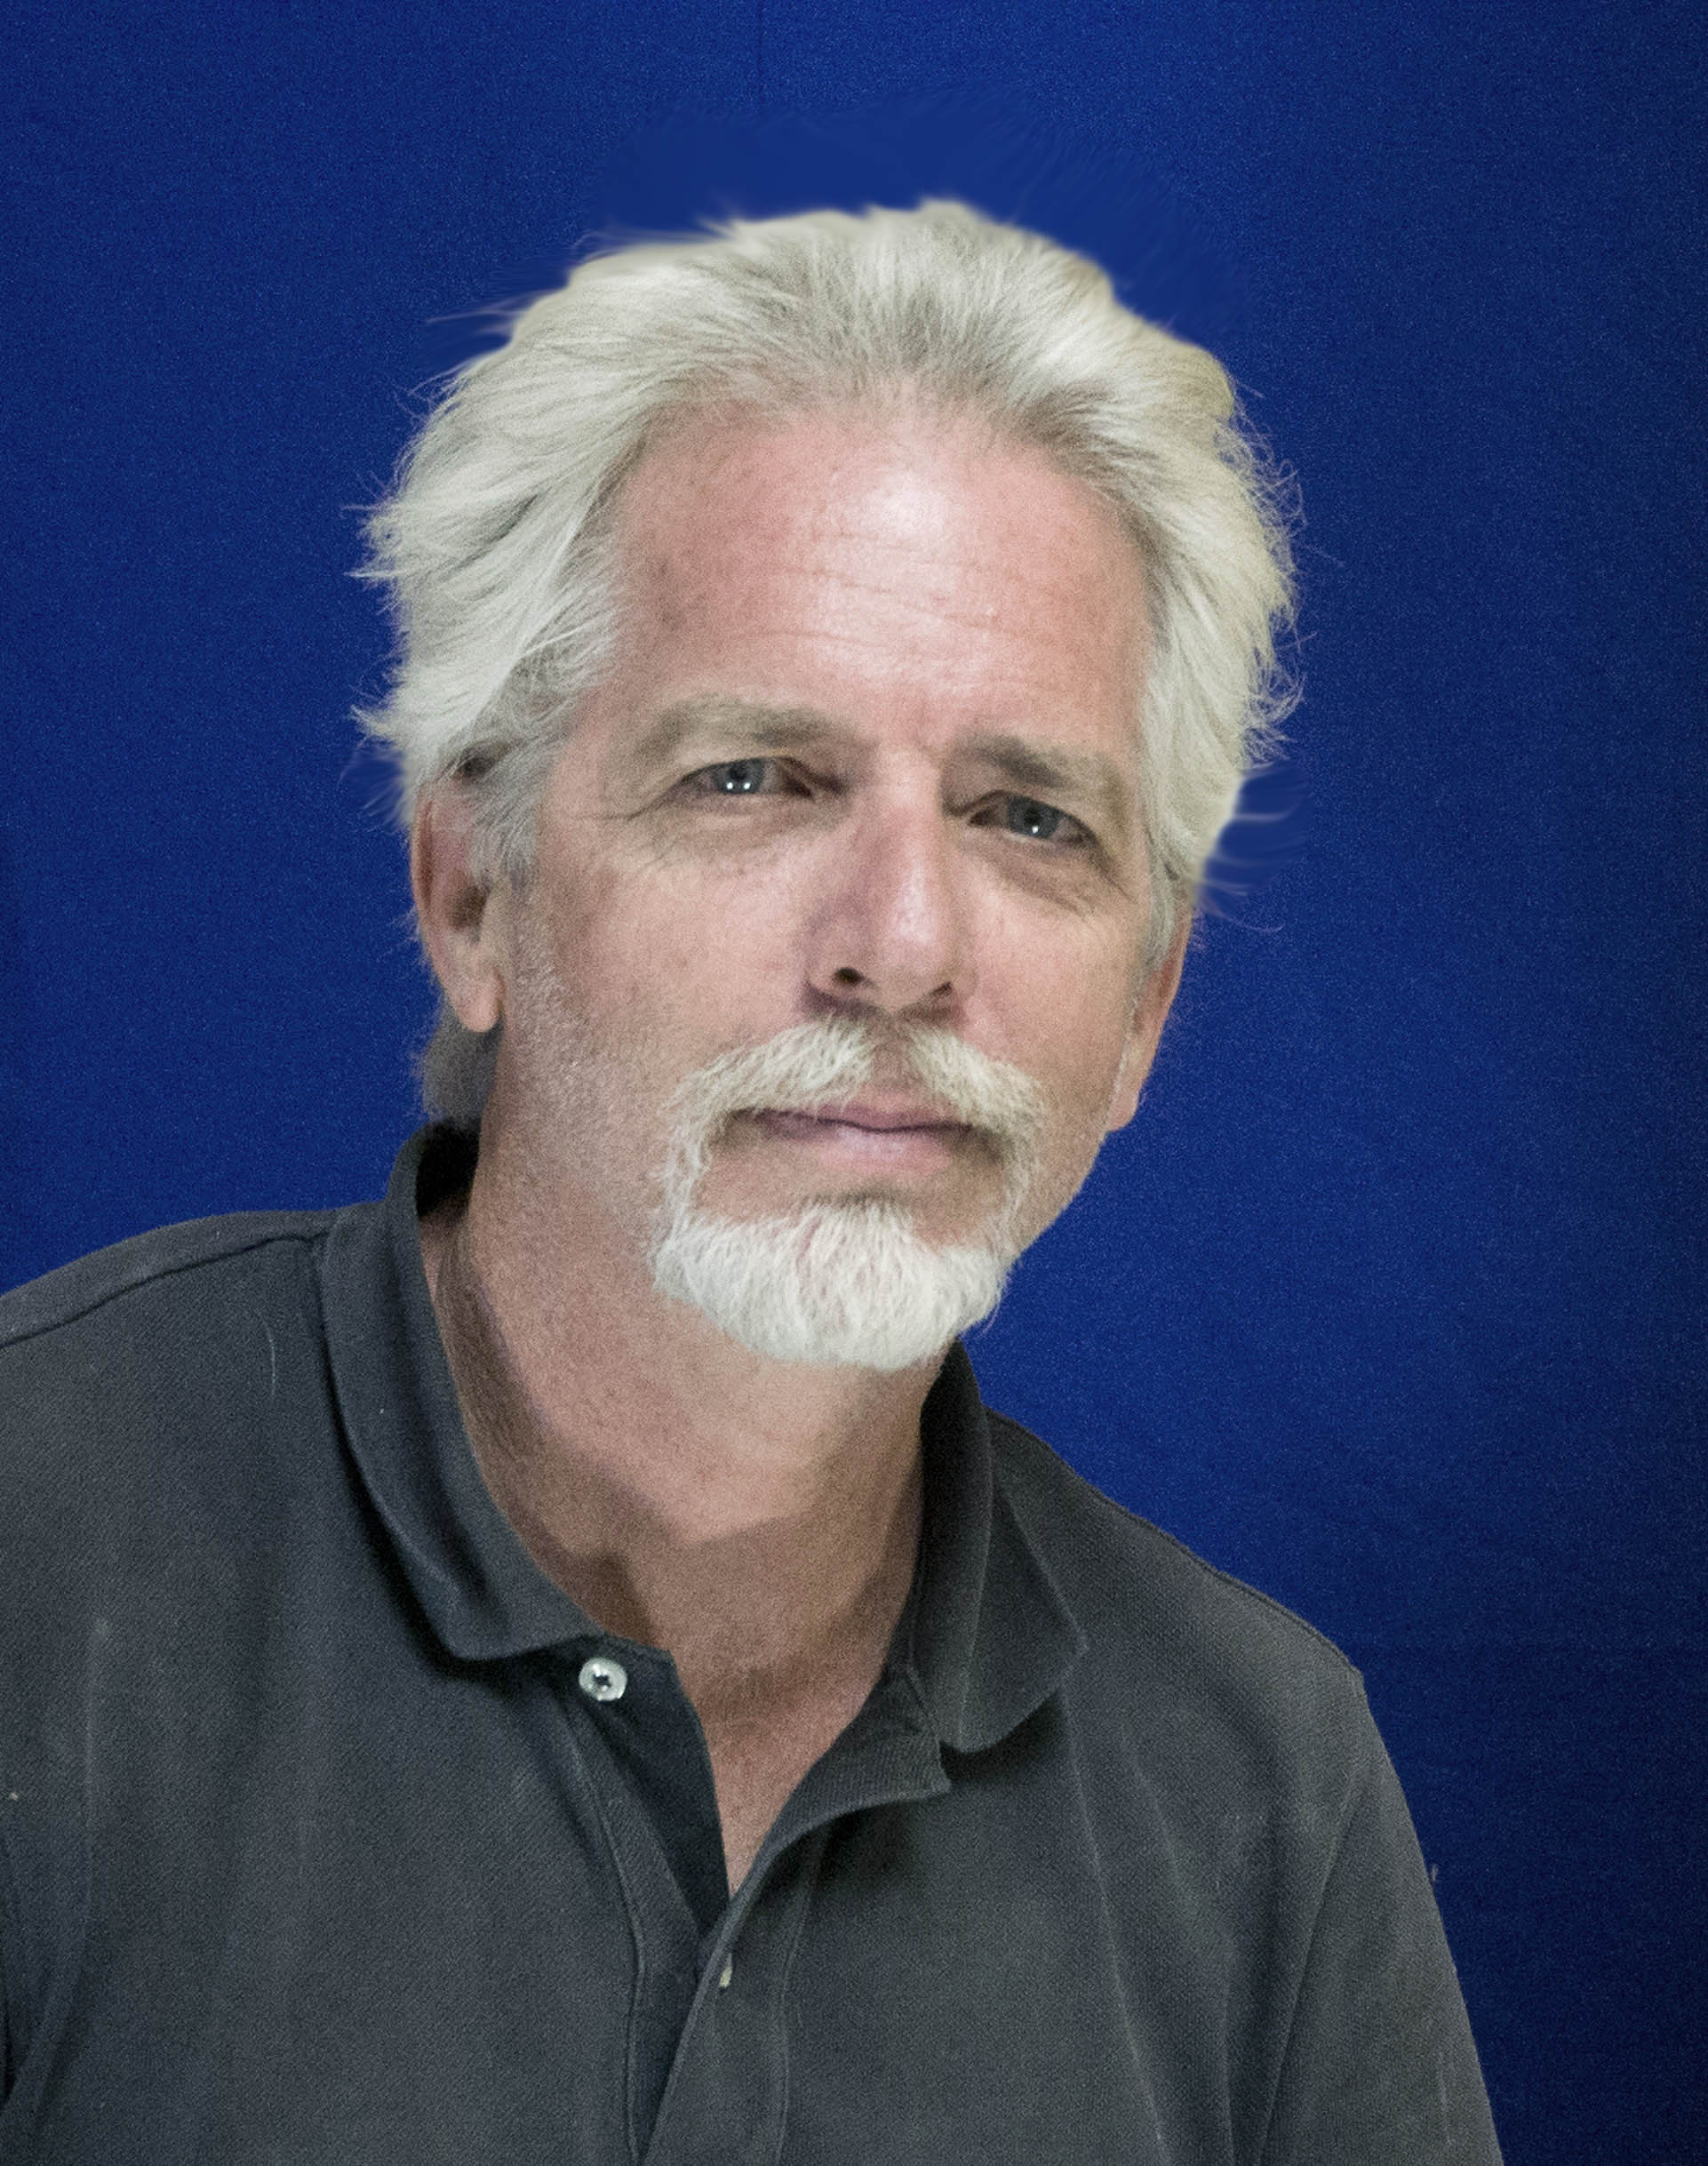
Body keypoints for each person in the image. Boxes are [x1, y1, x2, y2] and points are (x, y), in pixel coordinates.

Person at [0, 202, 1502, 2162]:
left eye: (1025, 815)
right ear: (470, 891)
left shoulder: (1261, 1786)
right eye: (755, 779)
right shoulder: (37, 1546)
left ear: (1144, 1005)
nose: (902, 944)